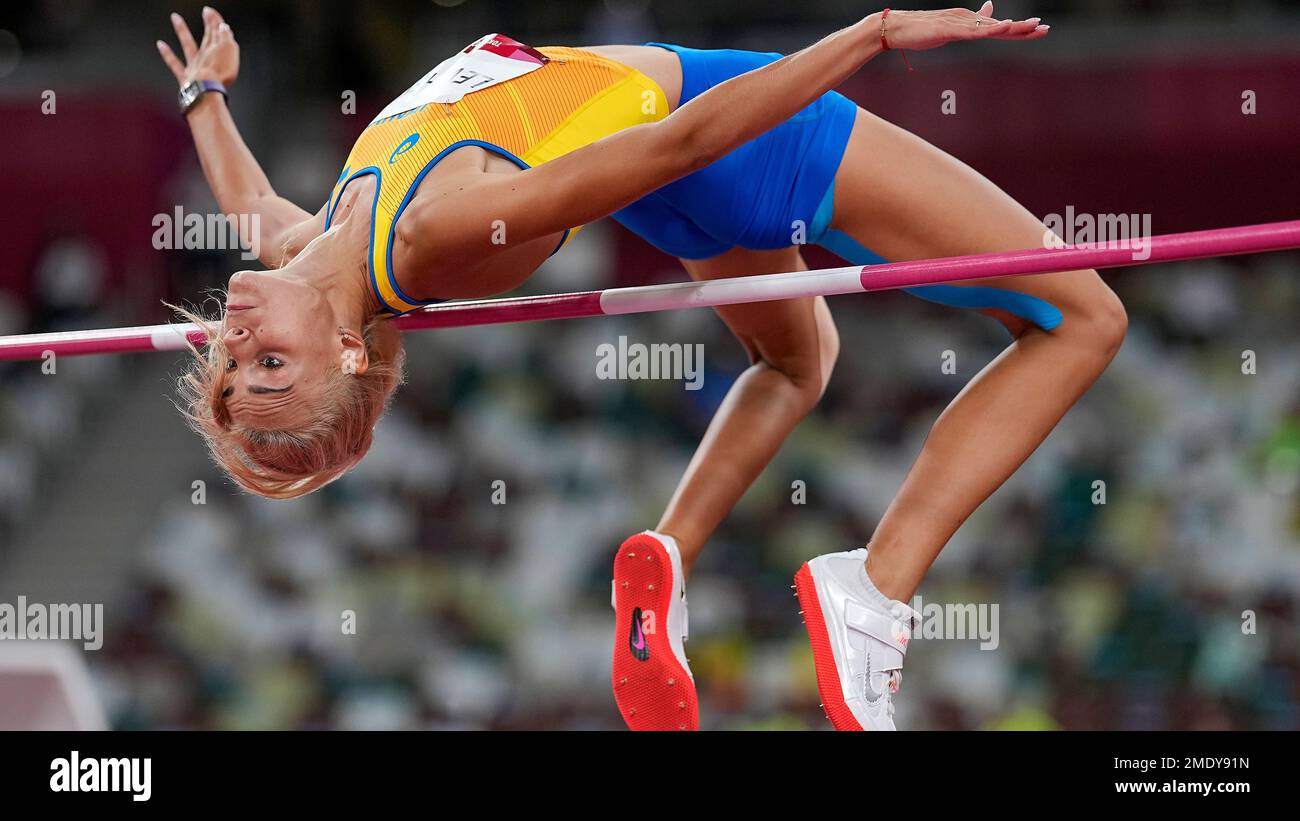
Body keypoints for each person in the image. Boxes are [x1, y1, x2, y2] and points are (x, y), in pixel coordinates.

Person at [158, 4, 1124, 731]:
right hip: (723, 127)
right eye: (271, 362)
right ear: (346, 348)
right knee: (1083, 317)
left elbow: (245, 191)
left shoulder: (308, 243)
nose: (235, 337)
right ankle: (875, 589)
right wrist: (869, 34)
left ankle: (668, 554)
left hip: (673, 182)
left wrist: (206, 92)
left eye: (236, 362)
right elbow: (684, 141)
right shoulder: (424, 235)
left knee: (797, 359)